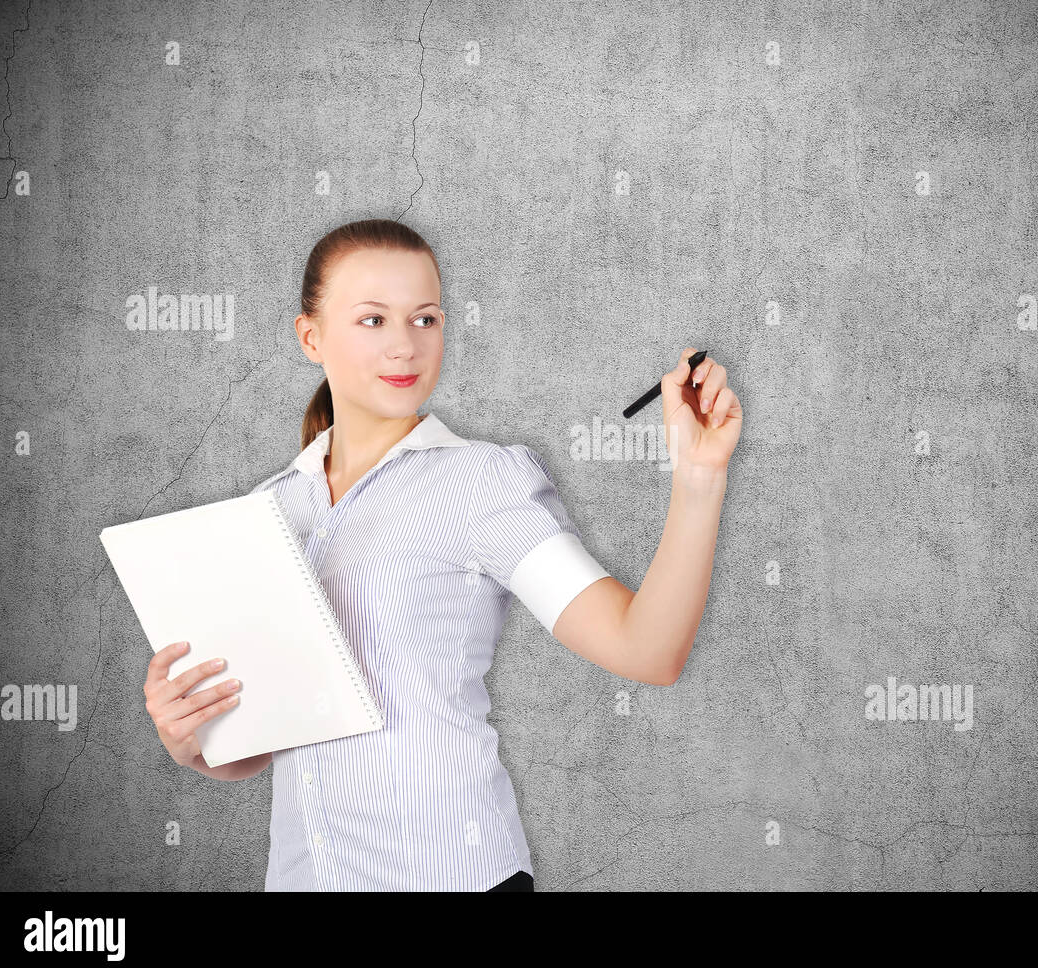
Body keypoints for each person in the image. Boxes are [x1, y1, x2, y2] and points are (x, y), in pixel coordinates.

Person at [141, 218, 742, 891]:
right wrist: (187, 738)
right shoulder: (268, 512)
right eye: (372, 320)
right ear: (310, 337)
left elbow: (646, 648)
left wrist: (697, 476)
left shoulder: (484, 483)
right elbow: (258, 742)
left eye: (424, 319)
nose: (405, 345)